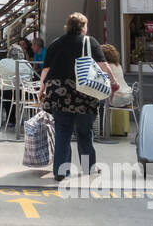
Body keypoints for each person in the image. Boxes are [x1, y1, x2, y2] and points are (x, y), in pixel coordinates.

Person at [39, 12, 115, 180]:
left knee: (62, 133)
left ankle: (60, 172)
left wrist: (41, 88)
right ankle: (88, 168)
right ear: (83, 27)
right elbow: (103, 66)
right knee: (84, 132)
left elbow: (46, 70)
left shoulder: (55, 44)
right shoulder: (90, 42)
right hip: (84, 93)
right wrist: (113, 83)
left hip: (58, 92)